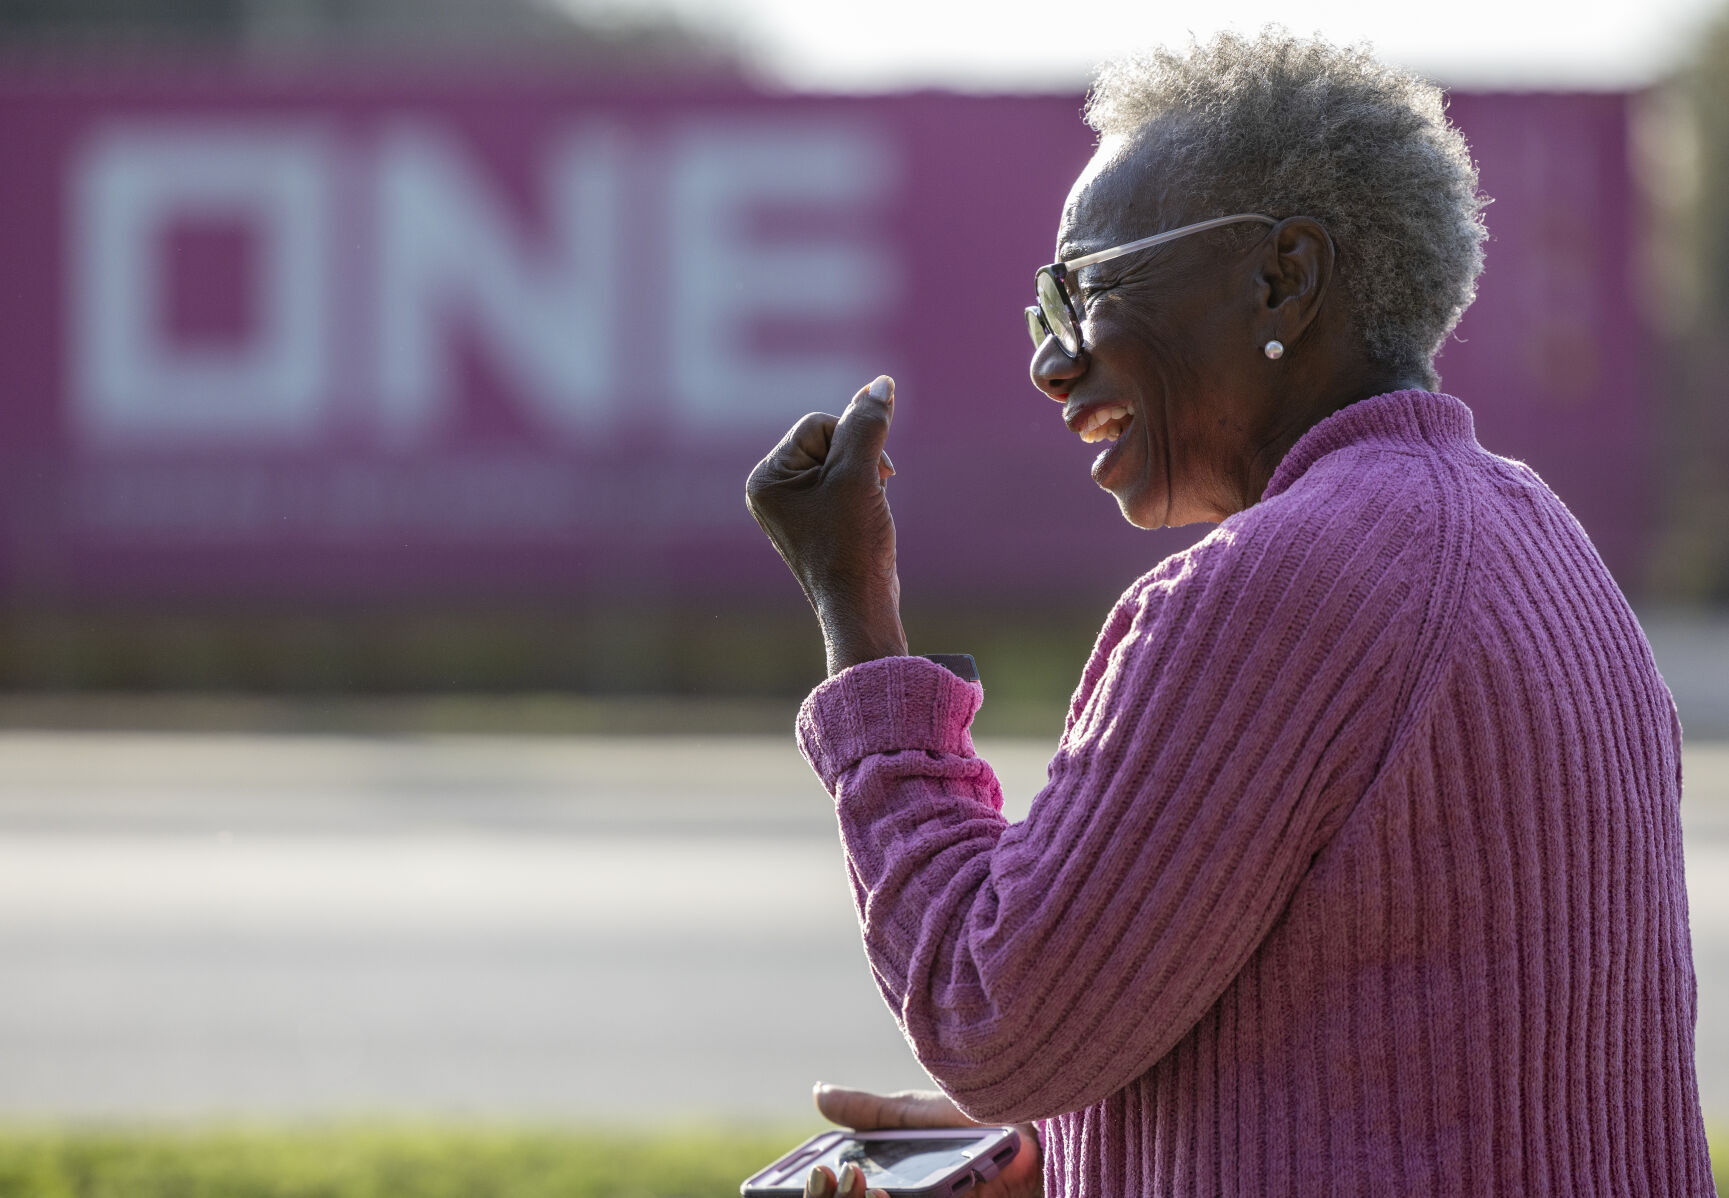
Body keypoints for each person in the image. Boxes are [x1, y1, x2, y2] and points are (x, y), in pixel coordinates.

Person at [745, 30, 1713, 1198]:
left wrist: (854, 614)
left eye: (1088, 288)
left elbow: (990, 1012)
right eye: (1044, 306)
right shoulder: (1536, 535)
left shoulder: (1280, 583)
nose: (1052, 362)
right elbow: (1430, 1053)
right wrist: (1078, 1151)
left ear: (1283, 278)